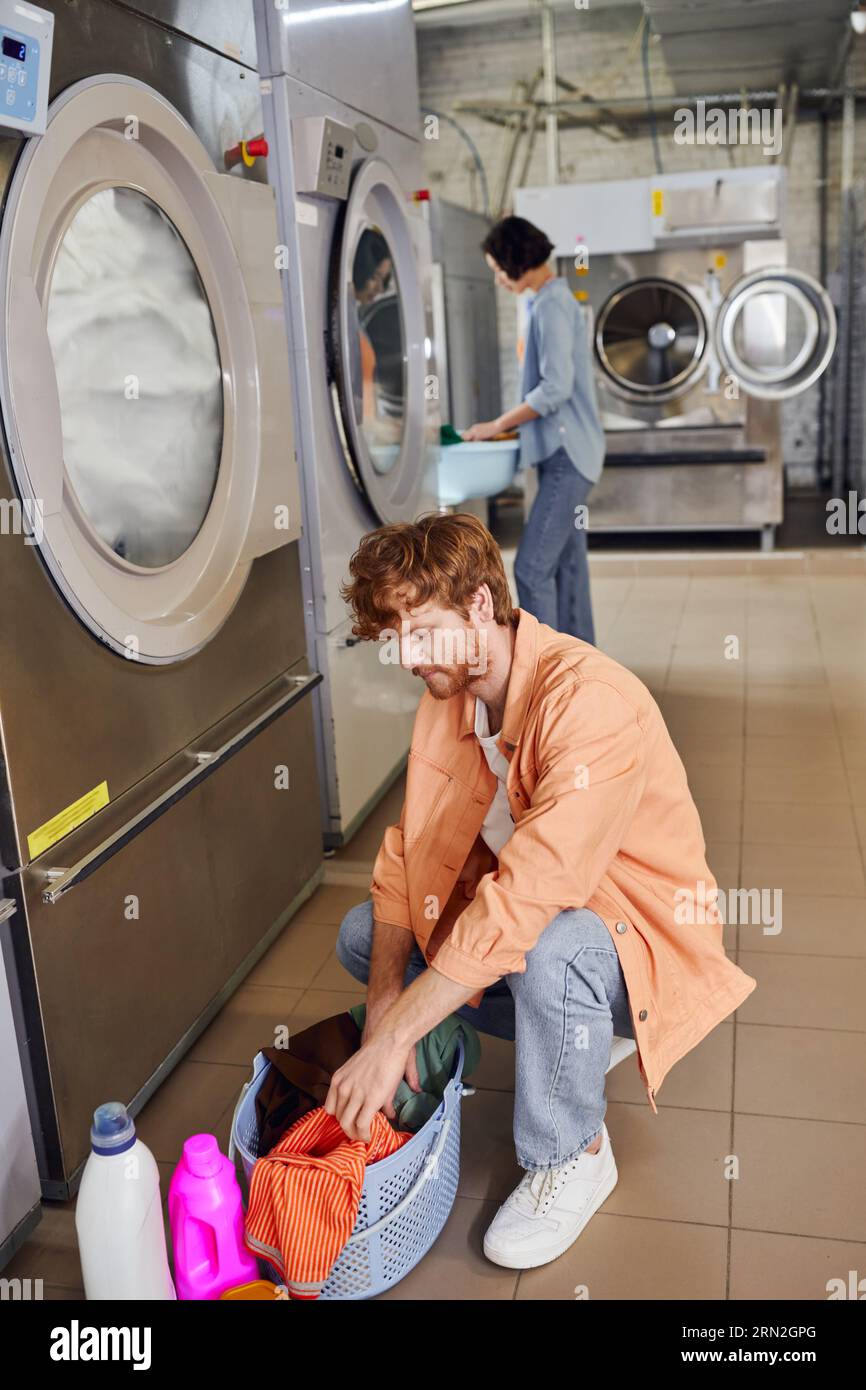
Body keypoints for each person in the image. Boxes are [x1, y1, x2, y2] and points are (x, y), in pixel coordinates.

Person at [325, 513, 756, 1271]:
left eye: (420, 632)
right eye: (394, 636)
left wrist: (391, 1041)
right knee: (366, 936)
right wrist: (385, 1014)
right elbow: (405, 857)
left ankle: (574, 1151)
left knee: (551, 948)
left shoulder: (590, 703)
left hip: (637, 940)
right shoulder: (449, 698)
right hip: (541, 917)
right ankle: (564, 1038)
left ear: (482, 607)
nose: (406, 657)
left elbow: (531, 899)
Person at [464, 215, 604, 644]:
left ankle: (544, 671)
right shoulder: (551, 300)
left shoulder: (550, 305)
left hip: (568, 457)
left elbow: (555, 389)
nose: (499, 279)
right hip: (568, 455)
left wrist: (498, 424)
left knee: (531, 567)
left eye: (498, 270)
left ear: (515, 260)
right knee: (567, 566)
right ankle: (581, 665)